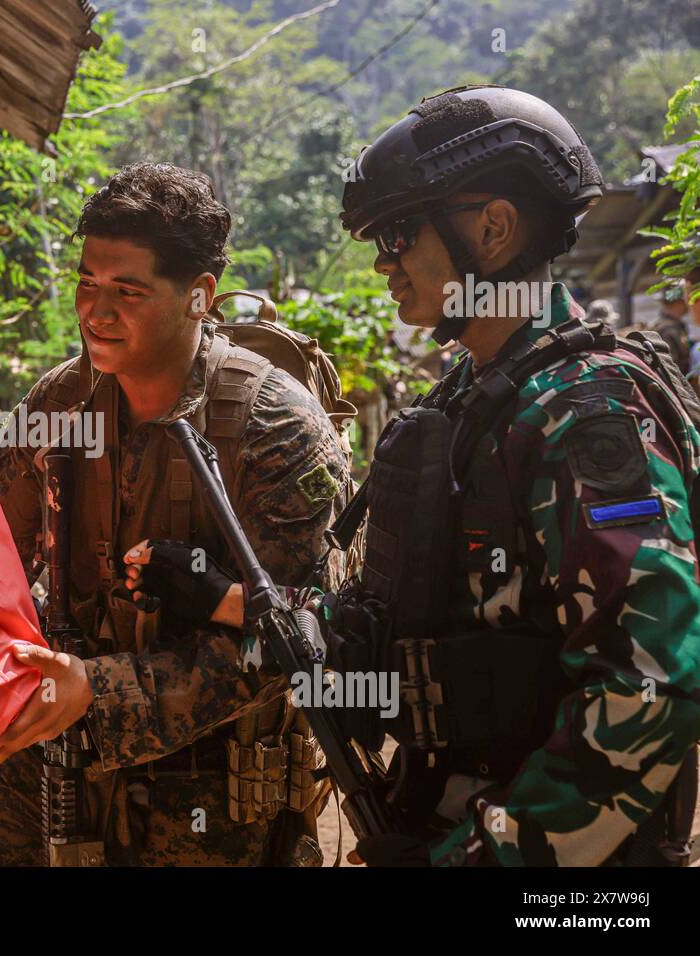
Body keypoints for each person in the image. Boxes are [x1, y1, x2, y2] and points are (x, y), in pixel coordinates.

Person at [152, 86, 700, 866]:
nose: (383, 262)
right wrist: (231, 602)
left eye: (400, 233)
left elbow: (649, 688)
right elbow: (406, 641)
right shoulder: (472, 402)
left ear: (495, 228)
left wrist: (486, 855)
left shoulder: (586, 414)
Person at [0, 163, 349, 866]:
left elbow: (304, 641)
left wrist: (98, 694)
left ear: (199, 297)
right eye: (87, 285)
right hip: (54, 749)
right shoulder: (61, 402)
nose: (96, 313)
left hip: (212, 787)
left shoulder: (276, 426)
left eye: (127, 292)